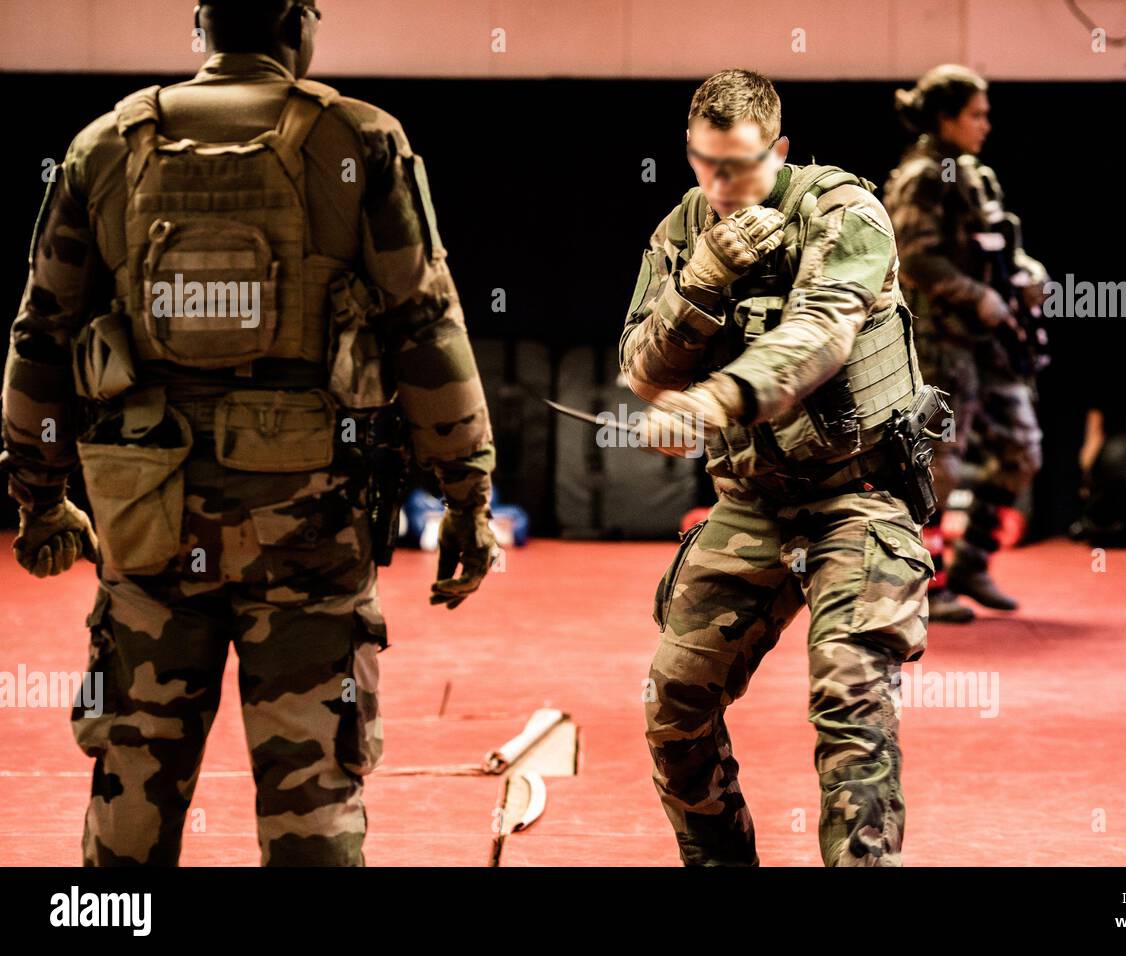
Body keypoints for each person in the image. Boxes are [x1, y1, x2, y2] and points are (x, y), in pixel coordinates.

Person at [0, 0, 497, 865]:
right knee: (315, 798)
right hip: (310, 529)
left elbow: (41, 340)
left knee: (132, 798)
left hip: (146, 523)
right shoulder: (359, 141)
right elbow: (427, 330)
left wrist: (39, 502)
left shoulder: (104, 148)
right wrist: (466, 496)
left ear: (202, 25)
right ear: (300, 26)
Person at [621, 69, 935, 866]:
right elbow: (642, 368)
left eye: (741, 166)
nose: (722, 185)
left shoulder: (843, 209)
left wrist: (714, 401)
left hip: (856, 498)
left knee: (849, 706)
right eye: (706, 165)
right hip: (752, 506)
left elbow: (820, 338)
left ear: (781, 149)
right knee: (672, 708)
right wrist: (701, 281)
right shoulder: (684, 228)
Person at [882, 64, 1047, 623]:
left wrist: (1026, 274)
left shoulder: (976, 175)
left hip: (992, 343)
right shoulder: (920, 177)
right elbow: (914, 256)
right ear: (945, 117)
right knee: (936, 465)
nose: (985, 124)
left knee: (1022, 450)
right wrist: (974, 294)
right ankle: (928, 582)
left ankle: (974, 561)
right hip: (940, 342)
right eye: (975, 114)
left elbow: (1002, 245)